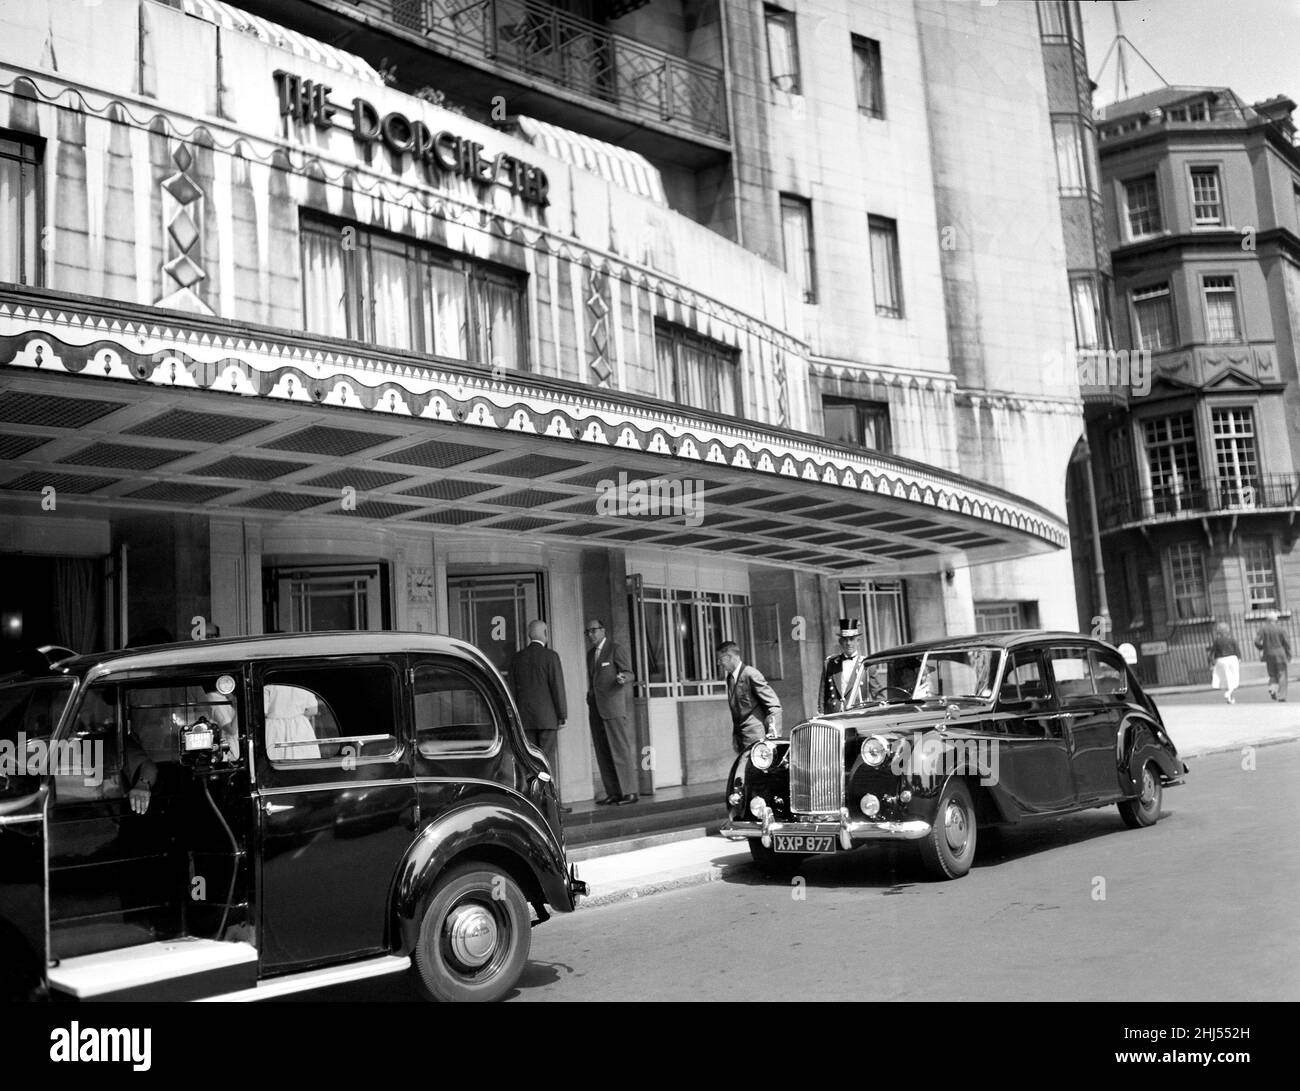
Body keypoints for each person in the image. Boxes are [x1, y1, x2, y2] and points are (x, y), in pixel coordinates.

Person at [508, 620, 571, 813]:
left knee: (528, 763)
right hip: (547, 719)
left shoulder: (518, 658)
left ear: (529, 635)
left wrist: (514, 718)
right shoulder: (551, 656)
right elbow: (557, 687)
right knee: (547, 761)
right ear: (545, 633)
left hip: (525, 720)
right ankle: (551, 805)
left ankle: (532, 804)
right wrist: (562, 714)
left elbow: (511, 690)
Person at [584, 619, 637, 805]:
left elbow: (630, 673)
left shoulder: (615, 648)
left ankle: (629, 792)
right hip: (596, 708)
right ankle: (613, 792)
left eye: (594, 630)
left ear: (603, 630)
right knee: (603, 751)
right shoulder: (591, 655)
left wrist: (623, 677)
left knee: (620, 750)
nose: (591, 634)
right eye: (588, 632)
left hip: (613, 707)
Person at [716, 641, 782, 754]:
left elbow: (774, 706)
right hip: (741, 740)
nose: (719, 663)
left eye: (720, 659)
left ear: (729, 657)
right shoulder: (730, 678)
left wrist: (773, 739)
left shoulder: (751, 674)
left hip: (756, 740)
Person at [818, 618, 867, 714]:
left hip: (858, 714)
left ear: (858, 641)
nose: (848, 643)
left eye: (852, 639)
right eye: (845, 639)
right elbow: (822, 695)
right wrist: (821, 714)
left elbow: (878, 695)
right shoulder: (830, 664)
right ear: (840, 642)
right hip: (834, 715)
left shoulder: (866, 664)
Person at [1255, 610, 1291, 702]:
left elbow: (1256, 641)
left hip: (1269, 655)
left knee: (1272, 674)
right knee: (1282, 675)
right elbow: (1286, 643)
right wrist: (1289, 655)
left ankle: (1272, 688)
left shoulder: (1263, 629)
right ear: (1276, 619)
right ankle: (1282, 696)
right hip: (1280, 654)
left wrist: (1262, 647)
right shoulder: (1281, 629)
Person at [1206, 623, 1241, 704]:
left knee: (1227, 678)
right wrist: (1239, 658)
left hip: (1221, 660)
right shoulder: (1232, 640)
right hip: (1232, 659)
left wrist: (1211, 662)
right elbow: (1237, 649)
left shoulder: (1217, 641)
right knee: (1234, 678)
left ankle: (1230, 698)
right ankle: (1229, 693)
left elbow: (1212, 652)